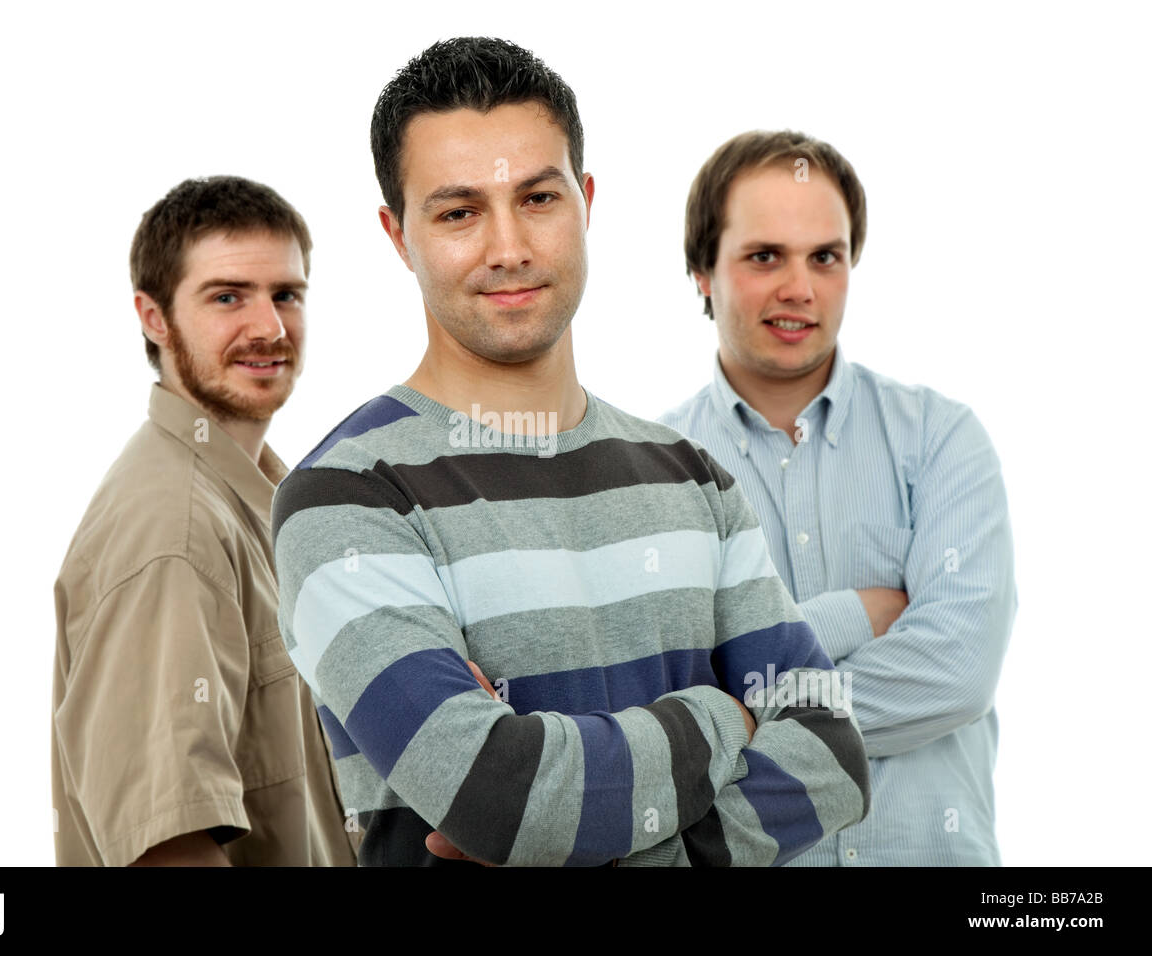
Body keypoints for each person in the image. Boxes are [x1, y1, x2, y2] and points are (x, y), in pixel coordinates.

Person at [272, 38, 869, 867]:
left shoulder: (692, 477)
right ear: (398, 236)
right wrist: (722, 715)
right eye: (458, 211)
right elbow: (502, 800)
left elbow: (832, 752)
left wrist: (590, 831)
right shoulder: (344, 499)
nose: (509, 247)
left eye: (538, 198)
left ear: (586, 201)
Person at [660, 130, 1016, 865]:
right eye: (765, 257)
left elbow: (957, 672)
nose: (800, 288)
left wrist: (740, 707)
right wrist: (853, 614)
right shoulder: (653, 473)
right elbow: (657, 706)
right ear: (702, 270)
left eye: (825, 256)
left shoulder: (942, 440)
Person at [51, 176, 356, 866]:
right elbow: (168, 844)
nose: (269, 328)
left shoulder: (261, 505)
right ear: (154, 318)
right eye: (227, 297)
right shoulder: (173, 527)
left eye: (286, 295)